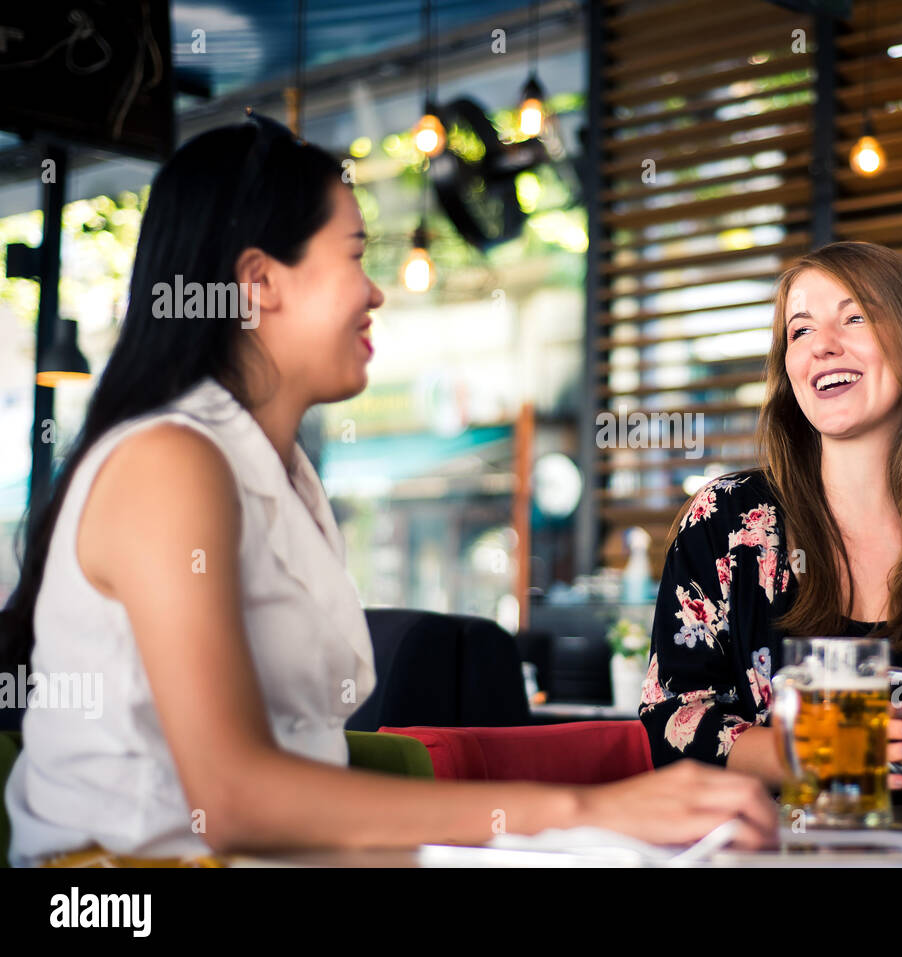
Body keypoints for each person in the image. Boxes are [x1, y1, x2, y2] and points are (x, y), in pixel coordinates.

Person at [0, 115, 775, 866]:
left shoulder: (279, 475)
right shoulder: (171, 460)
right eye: (354, 257)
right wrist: (584, 807)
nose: (375, 293)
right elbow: (233, 797)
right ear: (259, 282)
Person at [639, 241, 902, 793]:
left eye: (855, 317)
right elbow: (670, 724)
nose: (822, 347)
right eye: (800, 331)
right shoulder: (728, 521)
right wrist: (812, 749)